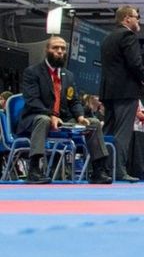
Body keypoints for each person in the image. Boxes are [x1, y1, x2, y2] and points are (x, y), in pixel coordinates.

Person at [17, 36, 112, 184]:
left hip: (63, 120)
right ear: (47, 50)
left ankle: (98, 171)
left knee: (93, 123)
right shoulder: (32, 72)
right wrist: (51, 115)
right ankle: (34, 170)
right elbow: (32, 100)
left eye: (63, 48)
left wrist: (80, 117)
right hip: (36, 118)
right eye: (55, 48)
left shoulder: (68, 76)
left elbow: (73, 101)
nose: (60, 51)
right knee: (44, 119)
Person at [100, 5, 144, 183]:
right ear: (126, 19)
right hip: (125, 92)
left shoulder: (107, 38)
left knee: (108, 131)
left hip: (108, 92)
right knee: (122, 132)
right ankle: (118, 169)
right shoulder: (128, 36)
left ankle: (102, 168)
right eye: (136, 17)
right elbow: (134, 63)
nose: (138, 20)